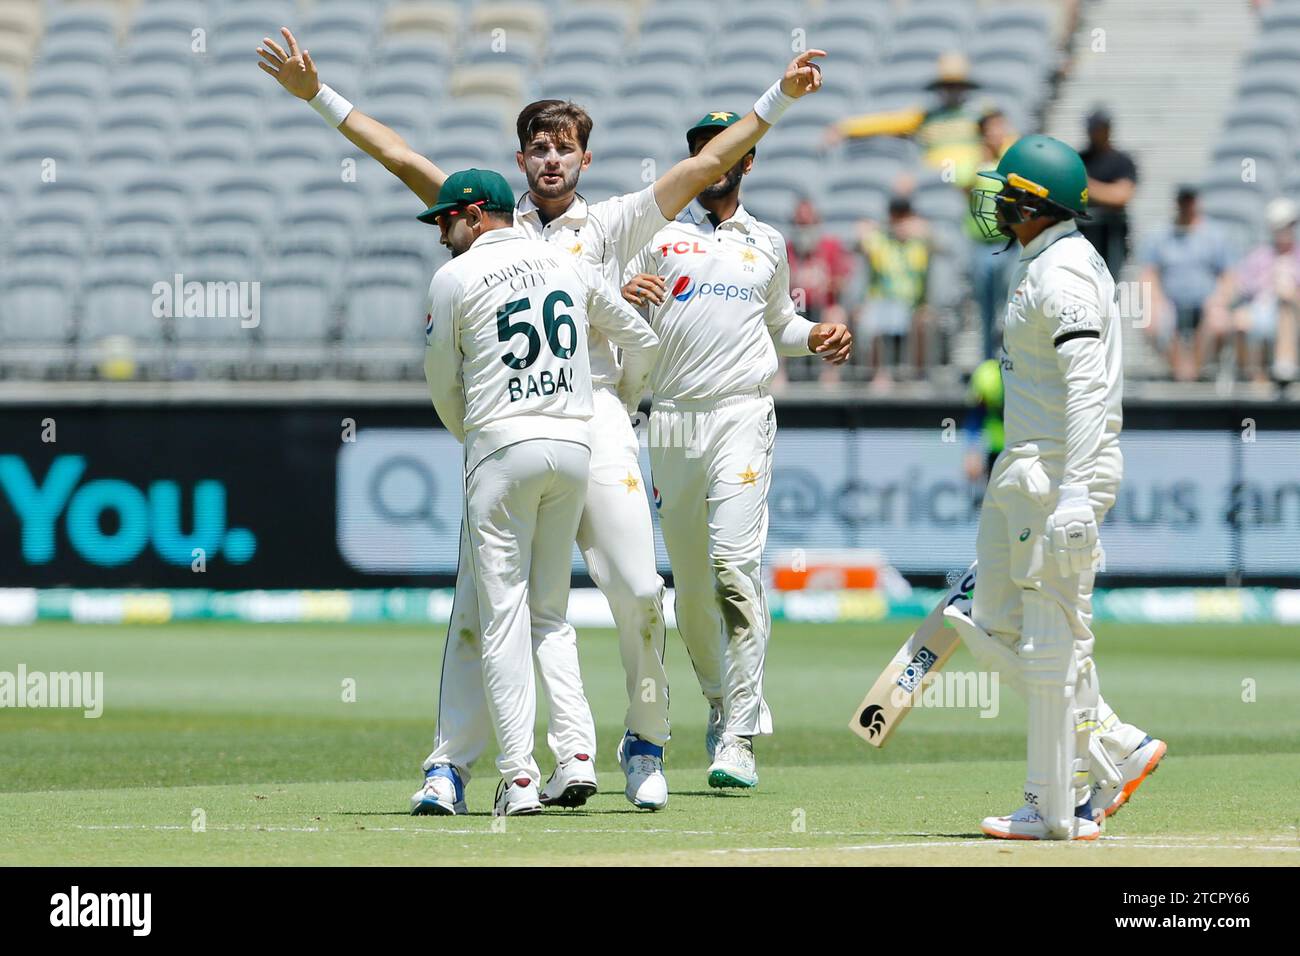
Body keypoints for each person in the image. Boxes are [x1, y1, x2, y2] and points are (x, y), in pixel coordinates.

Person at [256, 27, 825, 812]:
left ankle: (646, 740)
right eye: (537, 147)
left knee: (634, 588)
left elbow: (703, 166)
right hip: (519, 415)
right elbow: (403, 160)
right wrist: (316, 95)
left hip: (598, 416)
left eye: (564, 147)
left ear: (585, 160)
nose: (550, 158)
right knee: (481, 602)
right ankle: (450, 765)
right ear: (520, 158)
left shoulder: (618, 223)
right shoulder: (492, 219)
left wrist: (779, 99)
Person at [620, 112, 852, 790]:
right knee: (690, 591)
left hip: (742, 414)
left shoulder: (768, 243)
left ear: (748, 162)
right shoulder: (657, 234)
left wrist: (813, 336)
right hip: (670, 421)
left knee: (733, 568)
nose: (716, 161)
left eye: (729, 151)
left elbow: (777, 322)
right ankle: (721, 703)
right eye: (702, 152)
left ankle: (741, 735)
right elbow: (608, 300)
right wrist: (624, 294)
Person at [420, 169, 659, 815]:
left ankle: (519, 778)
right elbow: (641, 337)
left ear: (474, 215)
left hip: (502, 444)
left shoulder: (455, 277)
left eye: (445, 220)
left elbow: (443, 381)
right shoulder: (563, 262)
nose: (441, 233)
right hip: (574, 444)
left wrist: (473, 436)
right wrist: (622, 402)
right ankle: (577, 755)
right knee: (550, 614)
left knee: (501, 619)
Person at [958, 134, 1165, 840]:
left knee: (1052, 638)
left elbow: (1085, 391)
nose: (996, 202)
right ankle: (1112, 745)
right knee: (992, 624)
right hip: (1029, 467)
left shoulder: (1066, 271)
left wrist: (1075, 490)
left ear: (1033, 203)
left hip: (1057, 470)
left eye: (1007, 192)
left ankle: (1055, 803)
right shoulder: (1042, 260)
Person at [825, 52, 984, 188]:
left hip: (971, 176)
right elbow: (889, 121)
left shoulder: (980, 113)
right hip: (931, 176)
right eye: (947, 87)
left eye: (957, 87)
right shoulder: (926, 115)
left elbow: (1000, 141)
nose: (952, 92)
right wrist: (846, 127)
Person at [1138, 185, 1235, 381]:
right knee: (1150, 321)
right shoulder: (1159, 234)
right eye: (1183, 200)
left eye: (1190, 200)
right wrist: (1156, 299)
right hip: (1171, 302)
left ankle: (1195, 371)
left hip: (1207, 302)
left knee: (1219, 322)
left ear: (1197, 202)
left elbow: (1229, 276)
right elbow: (1148, 274)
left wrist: (1219, 298)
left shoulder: (1215, 234)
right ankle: (1180, 372)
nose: (1186, 205)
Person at [855, 195, 931, 385]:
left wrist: (925, 232)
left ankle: (917, 375)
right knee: (874, 317)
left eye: (904, 217)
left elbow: (940, 244)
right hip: (883, 301)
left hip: (911, 305)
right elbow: (860, 238)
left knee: (922, 319)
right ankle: (880, 375)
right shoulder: (880, 240)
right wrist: (882, 227)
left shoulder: (919, 242)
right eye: (897, 217)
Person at [1223, 197, 1300, 384]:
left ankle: (1285, 364)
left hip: (1293, 310)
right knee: (1241, 320)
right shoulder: (1259, 256)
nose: (1285, 232)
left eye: (1289, 226)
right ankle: (1254, 379)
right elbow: (1242, 289)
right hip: (1261, 309)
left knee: (1285, 305)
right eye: (1281, 226)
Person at [783, 197, 853, 383]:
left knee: (836, 316)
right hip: (796, 307)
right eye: (799, 223)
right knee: (775, 318)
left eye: (807, 223)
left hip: (822, 308)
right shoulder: (786, 249)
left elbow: (843, 281)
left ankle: (830, 374)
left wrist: (824, 283)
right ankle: (779, 376)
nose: (803, 229)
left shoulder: (830, 247)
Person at [966, 108, 1018, 359]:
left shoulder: (1012, 162)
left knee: (1012, 303)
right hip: (981, 245)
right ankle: (987, 360)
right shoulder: (974, 162)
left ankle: (1010, 356)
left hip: (1009, 244)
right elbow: (959, 182)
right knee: (986, 308)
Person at [1077, 108, 1138, 278]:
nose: (1095, 133)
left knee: (1109, 285)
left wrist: (1086, 186)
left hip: (1112, 236)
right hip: (1082, 235)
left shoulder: (1122, 161)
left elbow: (1121, 196)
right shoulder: (1079, 159)